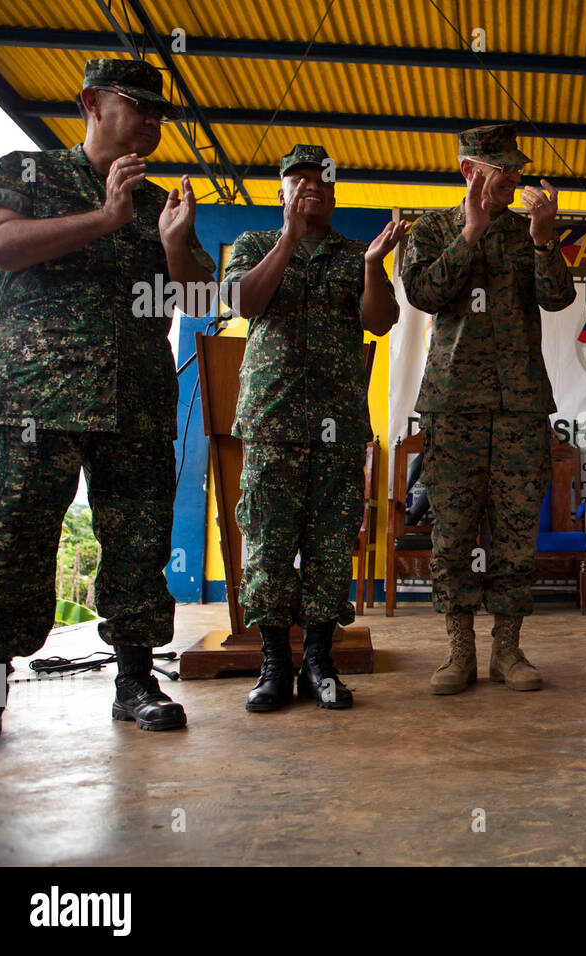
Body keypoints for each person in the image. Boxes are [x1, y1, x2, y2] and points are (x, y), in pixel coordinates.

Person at [0, 58, 215, 752]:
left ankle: (136, 681)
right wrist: (105, 218)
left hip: (135, 400)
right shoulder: (29, 170)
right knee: (14, 549)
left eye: (160, 111)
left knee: (139, 547)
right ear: (90, 102)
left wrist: (174, 246)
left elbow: (198, 302)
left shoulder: (161, 202)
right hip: (34, 397)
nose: (152, 119)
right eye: (137, 104)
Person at [221, 145, 405, 712]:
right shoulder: (254, 243)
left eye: (322, 180)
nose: (312, 188)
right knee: (269, 546)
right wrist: (287, 237)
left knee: (329, 547)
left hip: (338, 425)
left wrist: (375, 267)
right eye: (298, 180)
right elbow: (243, 302)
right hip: (272, 420)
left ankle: (320, 664)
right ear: (281, 192)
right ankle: (274, 666)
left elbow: (381, 320)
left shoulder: (356, 255)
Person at [402, 123, 575, 695]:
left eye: (517, 169)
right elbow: (424, 294)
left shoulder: (530, 232)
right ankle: (459, 651)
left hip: (522, 403)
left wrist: (546, 240)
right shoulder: (432, 228)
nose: (516, 178)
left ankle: (508, 648)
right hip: (454, 405)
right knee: (451, 534)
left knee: (516, 533)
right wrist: (470, 236)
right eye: (504, 168)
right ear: (469, 170)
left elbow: (557, 298)